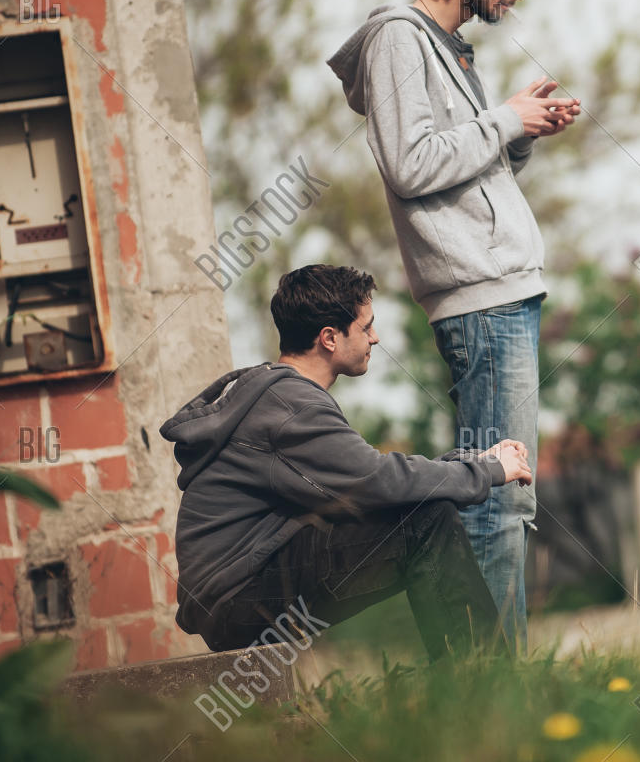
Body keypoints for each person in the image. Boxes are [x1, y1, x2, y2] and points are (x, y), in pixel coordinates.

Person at [327, 0, 579, 651]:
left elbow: (462, 163)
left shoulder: (449, 48)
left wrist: (523, 130)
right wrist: (503, 120)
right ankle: (494, 687)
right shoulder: (402, 40)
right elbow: (412, 165)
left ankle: (486, 685)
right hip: (483, 301)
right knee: (498, 502)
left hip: (501, 295)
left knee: (502, 496)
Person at [161, 264, 532, 660]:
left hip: (241, 585)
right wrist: (488, 471)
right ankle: (483, 685)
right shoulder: (290, 407)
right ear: (329, 338)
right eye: (366, 327)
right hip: (238, 598)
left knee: (418, 509)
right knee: (426, 521)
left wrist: (469, 460)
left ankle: (473, 685)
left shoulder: (279, 395)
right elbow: (377, 480)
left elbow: (368, 477)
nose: (375, 337)